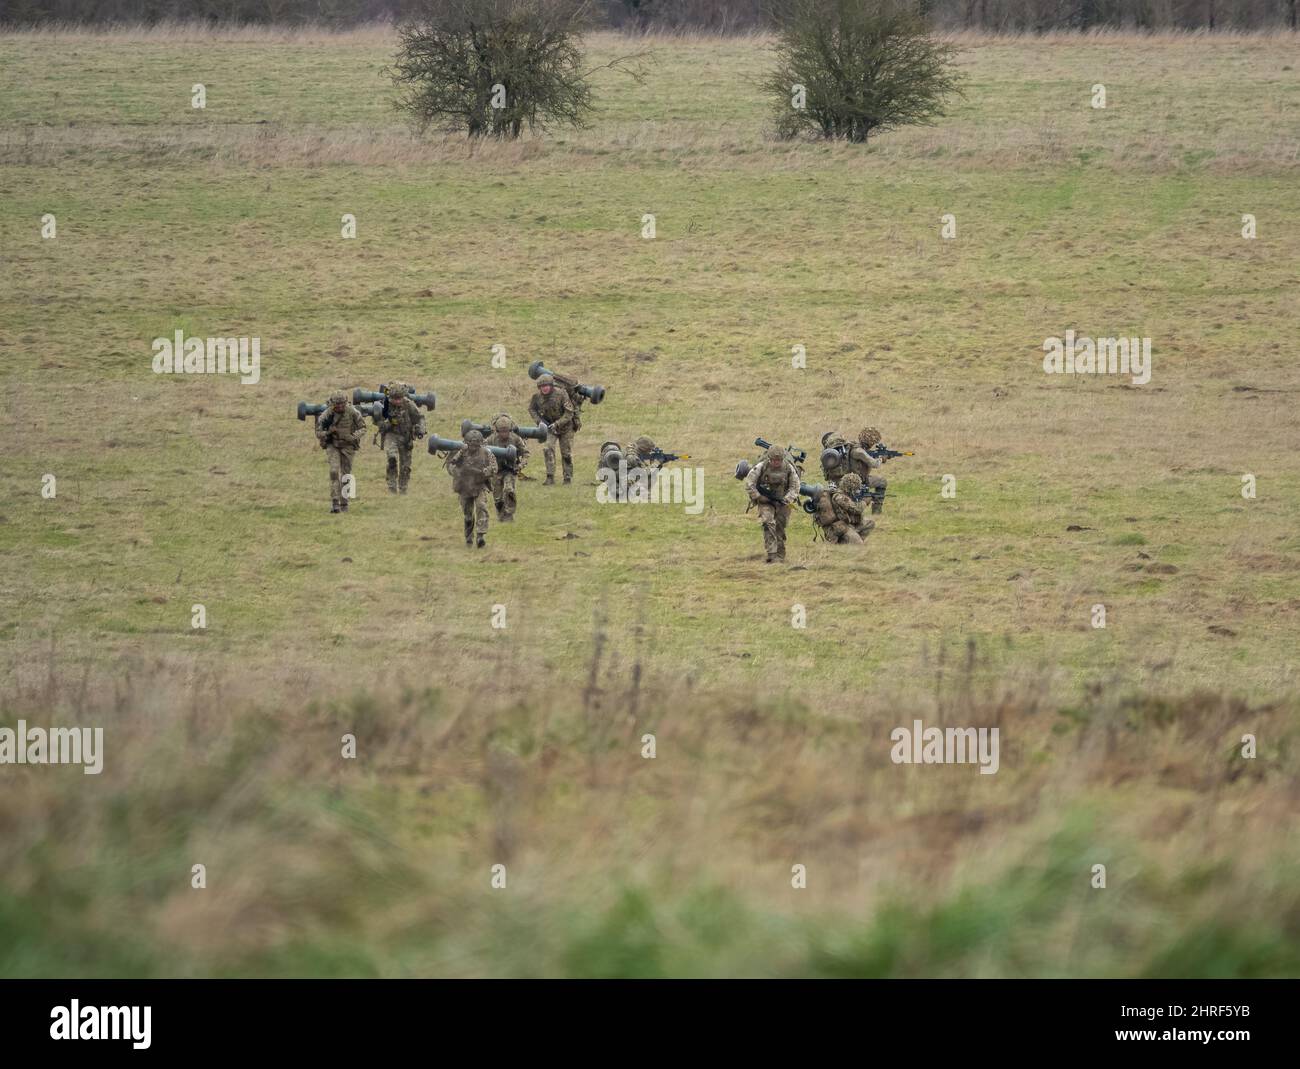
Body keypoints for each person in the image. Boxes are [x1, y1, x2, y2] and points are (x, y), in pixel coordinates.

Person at [743, 445, 801, 563]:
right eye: (774, 460)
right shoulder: (761, 467)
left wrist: (786, 499)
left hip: (783, 501)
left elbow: (795, 486)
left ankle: (780, 555)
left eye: (778, 460)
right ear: (769, 458)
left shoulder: (788, 468)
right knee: (768, 523)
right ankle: (772, 555)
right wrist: (759, 497)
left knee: (780, 526)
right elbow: (749, 484)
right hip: (765, 501)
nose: (776, 462)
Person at [446, 429, 497, 548]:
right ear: (467, 443)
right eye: (471, 444)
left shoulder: (486, 452)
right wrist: (458, 471)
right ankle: (468, 538)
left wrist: (485, 472)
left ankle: (480, 536)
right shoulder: (460, 452)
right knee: (468, 515)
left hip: (479, 486)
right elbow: (450, 465)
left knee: (481, 507)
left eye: (476, 444)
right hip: (464, 487)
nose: (473, 447)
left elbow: (494, 468)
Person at [315, 391, 365, 513]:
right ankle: (335, 502)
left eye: (342, 404)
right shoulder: (327, 415)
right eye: (337, 405)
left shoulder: (352, 412)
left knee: (346, 474)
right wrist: (328, 433)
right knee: (333, 471)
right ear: (332, 405)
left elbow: (363, 427)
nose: (340, 407)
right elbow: (318, 432)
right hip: (333, 445)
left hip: (348, 446)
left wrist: (353, 437)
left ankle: (345, 503)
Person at [528, 373, 577, 484]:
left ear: (551, 385)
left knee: (566, 453)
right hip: (549, 428)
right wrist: (540, 422)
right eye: (541, 386)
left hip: (566, 427)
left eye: (546, 385)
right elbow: (531, 409)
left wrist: (557, 423)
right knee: (547, 448)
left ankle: (567, 477)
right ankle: (550, 477)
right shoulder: (536, 397)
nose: (544, 388)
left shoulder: (562, 394)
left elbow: (569, 413)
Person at [378, 383, 426, 494]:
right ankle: (392, 488)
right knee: (392, 459)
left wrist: (421, 429)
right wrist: (390, 422)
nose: (398, 401)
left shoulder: (409, 405)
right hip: (391, 435)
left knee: (405, 466)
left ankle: (403, 488)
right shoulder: (385, 406)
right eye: (395, 399)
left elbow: (420, 418)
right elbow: (379, 424)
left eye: (399, 398)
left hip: (406, 437)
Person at [487, 415, 529, 522]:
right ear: (497, 431)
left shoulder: (515, 438)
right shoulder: (491, 439)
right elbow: (483, 452)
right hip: (496, 472)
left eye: (506, 431)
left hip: (510, 470)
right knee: (497, 498)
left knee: (509, 490)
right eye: (501, 431)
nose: (504, 434)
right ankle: (501, 516)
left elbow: (526, 453)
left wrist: (520, 466)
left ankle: (509, 514)